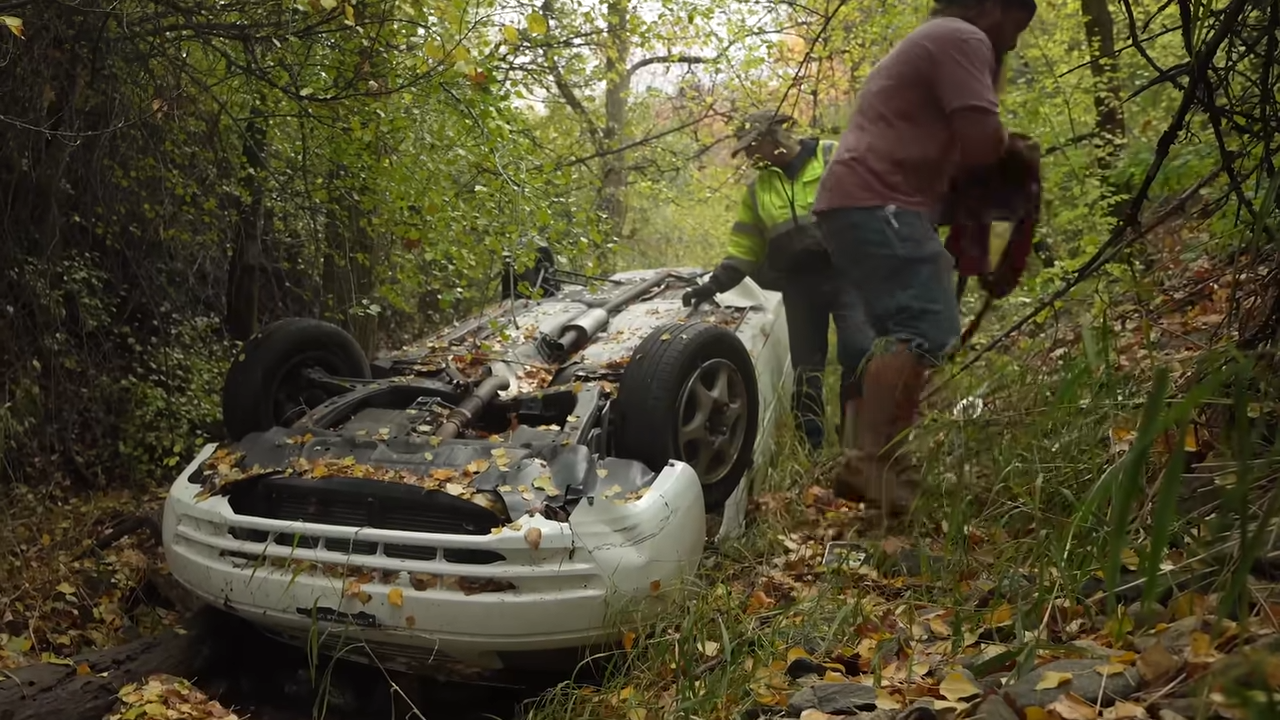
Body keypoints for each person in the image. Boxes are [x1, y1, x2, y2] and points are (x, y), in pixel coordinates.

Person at [812, 0, 1040, 516]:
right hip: (877, 201)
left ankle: (886, 461)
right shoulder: (963, 37)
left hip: (863, 202)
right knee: (923, 324)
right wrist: (1016, 150)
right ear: (991, 8)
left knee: (912, 327)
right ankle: (869, 457)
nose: (1015, 41)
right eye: (1015, 25)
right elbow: (982, 144)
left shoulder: (939, 37)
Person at [683, 110, 873, 456]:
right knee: (807, 367)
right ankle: (812, 447)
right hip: (800, 284)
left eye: (751, 148)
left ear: (771, 139)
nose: (750, 158)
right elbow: (744, 249)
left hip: (851, 273)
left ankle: (854, 440)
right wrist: (713, 285)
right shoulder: (758, 191)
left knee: (859, 352)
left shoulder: (834, 156)